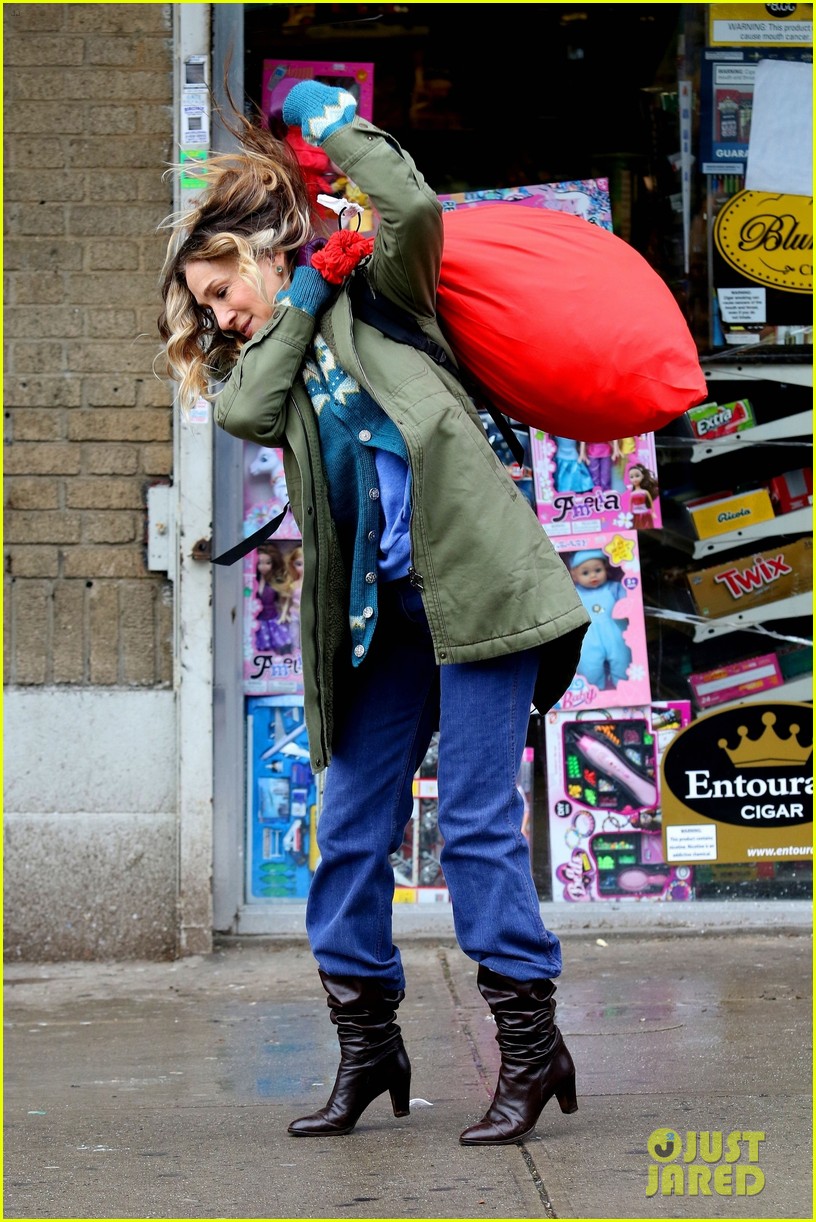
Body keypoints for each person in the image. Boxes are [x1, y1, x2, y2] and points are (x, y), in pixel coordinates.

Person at [158, 80, 589, 1146]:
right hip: (381, 615)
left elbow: (413, 209)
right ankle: (369, 1043)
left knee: (481, 823)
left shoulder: (385, 294)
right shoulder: (283, 351)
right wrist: (298, 298)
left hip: (477, 590)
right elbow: (248, 408)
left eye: (223, 289)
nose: (221, 314)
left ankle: (529, 1048)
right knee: (348, 826)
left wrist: (326, 121)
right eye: (207, 308)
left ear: (259, 250)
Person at [567, 549, 631, 690]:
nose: (593, 575)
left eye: (598, 570)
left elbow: (630, 603)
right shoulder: (574, 594)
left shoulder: (614, 588)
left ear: (605, 569)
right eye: (585, 573)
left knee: (622, 664)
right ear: (574, 575)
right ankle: (594, 694)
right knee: (589, 669)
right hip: (587, 637)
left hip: (616, 633)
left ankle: (624, 691)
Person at [253, 542, 295, 654]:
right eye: (260, 563)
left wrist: (284, 613)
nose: (263, 566)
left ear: (273, 563)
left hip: (273, 619)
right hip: (257, 620)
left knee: (279, 645)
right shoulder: (253, 581)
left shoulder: (274, 582)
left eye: (268, 563)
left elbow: (284, 600)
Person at [627, 462, 659, 530]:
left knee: (647, 529)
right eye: (631, 477)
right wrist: (629, 515)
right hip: (635, 515)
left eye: (637, 476)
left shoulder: (645, 492)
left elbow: (651, 503)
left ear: (642, 476)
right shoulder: (632, 494)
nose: (634, 479)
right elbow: (630, 505)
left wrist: (653, 513)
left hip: (645, 514)